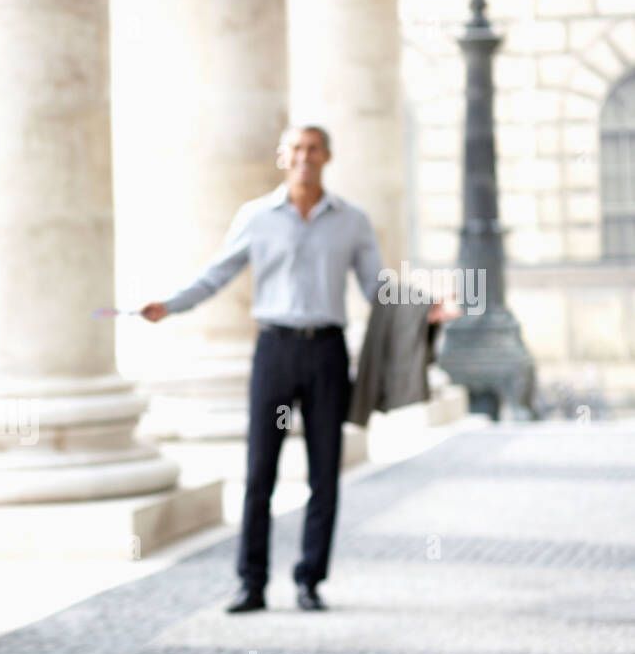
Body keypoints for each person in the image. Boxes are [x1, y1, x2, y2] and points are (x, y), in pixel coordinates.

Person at [140, 126, 459, 614]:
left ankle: (309, 579)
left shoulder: (351, 220)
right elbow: (216, 274)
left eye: (313, 149)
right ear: (281, 157)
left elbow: (378, 287)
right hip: (275, 352)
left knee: (325, 472)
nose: (304, 157)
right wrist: (170, 304)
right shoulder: (256, 216)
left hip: (327, 354)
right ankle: (251, 583)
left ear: (327, 156)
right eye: (296, 150)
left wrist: (428, 308)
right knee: (259, 473)